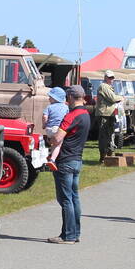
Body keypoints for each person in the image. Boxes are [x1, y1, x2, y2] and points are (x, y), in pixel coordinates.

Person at [46, 86, 91, 245]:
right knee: (74, 197)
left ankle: (69, 235)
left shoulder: (71, 116)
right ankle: (74, 232)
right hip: (77, 158)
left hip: (65, 160)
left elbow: (58, 138)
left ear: (71, 97)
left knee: (65, 199)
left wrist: (50, 139)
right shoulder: (86, 114)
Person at [95, 71, 124, 160]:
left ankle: (108, 156)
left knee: (109, 135)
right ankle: (103, 157)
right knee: (104, 136)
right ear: (105, 77)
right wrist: (122, 98)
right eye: (110, 77)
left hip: (108, 114)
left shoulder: (108, 87)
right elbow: (113, 98)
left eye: (112, 77)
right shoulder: (104, 86)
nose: (112, 79)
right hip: (104, 115)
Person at [42, 86, 69, 171]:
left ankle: (48, 156)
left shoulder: (49, 107)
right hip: (58, 129)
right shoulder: (65, 107)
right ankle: (52, 160)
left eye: (50, 97)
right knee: (58, 145)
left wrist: (44, 124)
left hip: (49, 129)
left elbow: (44, 117)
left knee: (52, 143)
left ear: (55, 98)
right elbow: (67, 118)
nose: (49, 98)